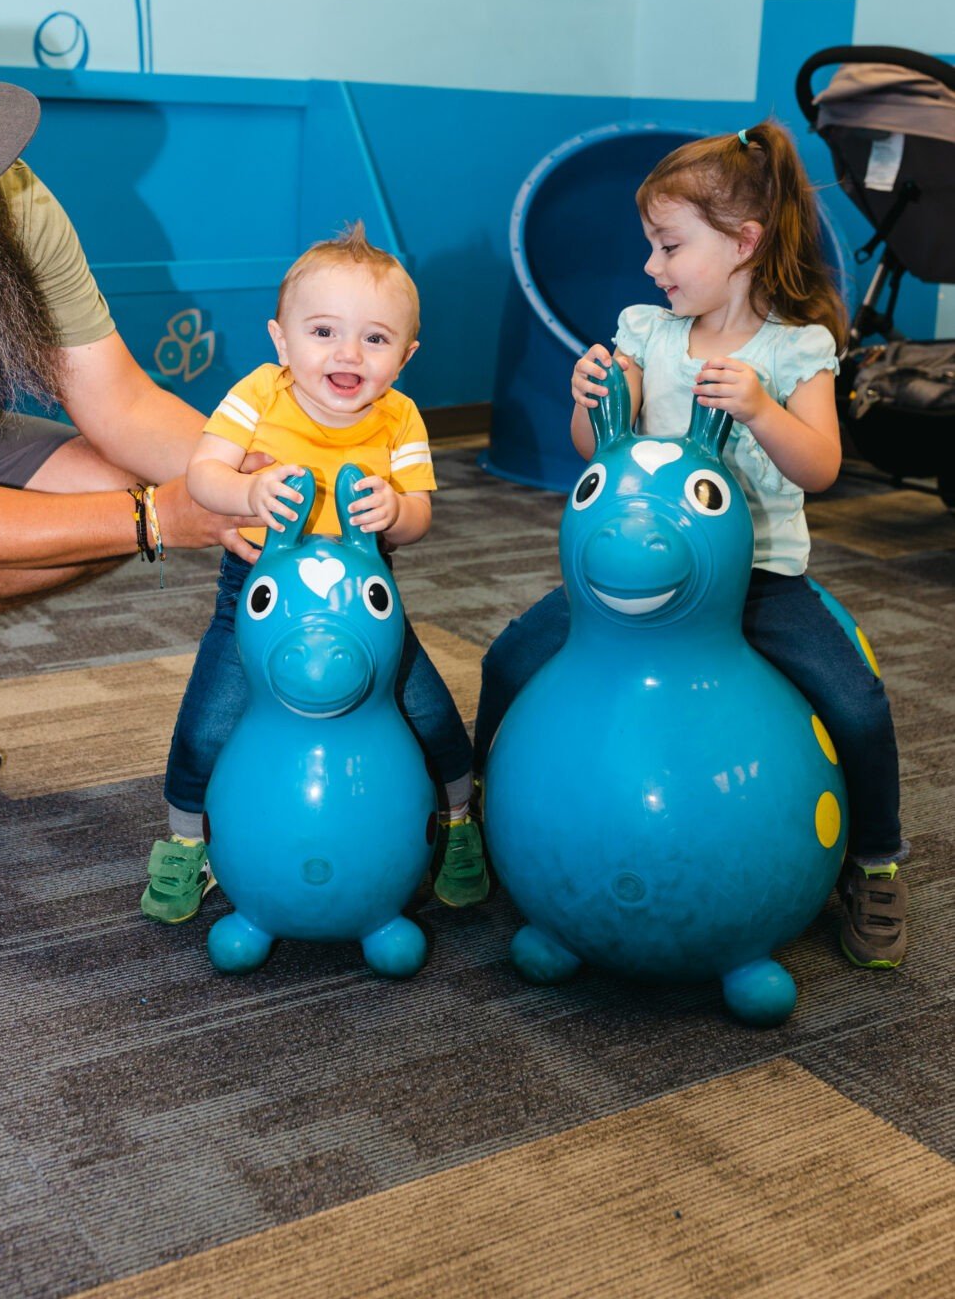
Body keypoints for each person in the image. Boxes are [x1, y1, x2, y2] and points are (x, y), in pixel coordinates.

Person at [474, 122, 909, 969]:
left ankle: (875, 862)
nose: (651, 266)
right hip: (632, 593)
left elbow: (819, 466)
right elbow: (596, 448)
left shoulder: (795, 348)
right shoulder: (646, 331)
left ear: (743, 244)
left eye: (668, 246)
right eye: (650, 246)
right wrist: (587, 397)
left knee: (856, 705)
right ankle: (471, 811)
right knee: (503, 661)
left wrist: (759, 408)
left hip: (757, 583)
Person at [0, 11, 269, 790]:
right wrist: (160, 517)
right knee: (131, 511)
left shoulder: (5, 200)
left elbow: (121, 402)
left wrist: (244, 478)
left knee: (106, 494)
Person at [139, 222, 489, 922]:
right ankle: (183, 842)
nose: (347, 354)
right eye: (323, 331)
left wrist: (395, 510)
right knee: (209, 718)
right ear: (281, 339)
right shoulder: (261, 392)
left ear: (406, 354)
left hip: (366, 600)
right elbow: (203, 472)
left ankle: (456, 823)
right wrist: (245, 494)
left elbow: (419, 518)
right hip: (260, 594)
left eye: (375, 339)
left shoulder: (398, 417)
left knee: (429, 711)